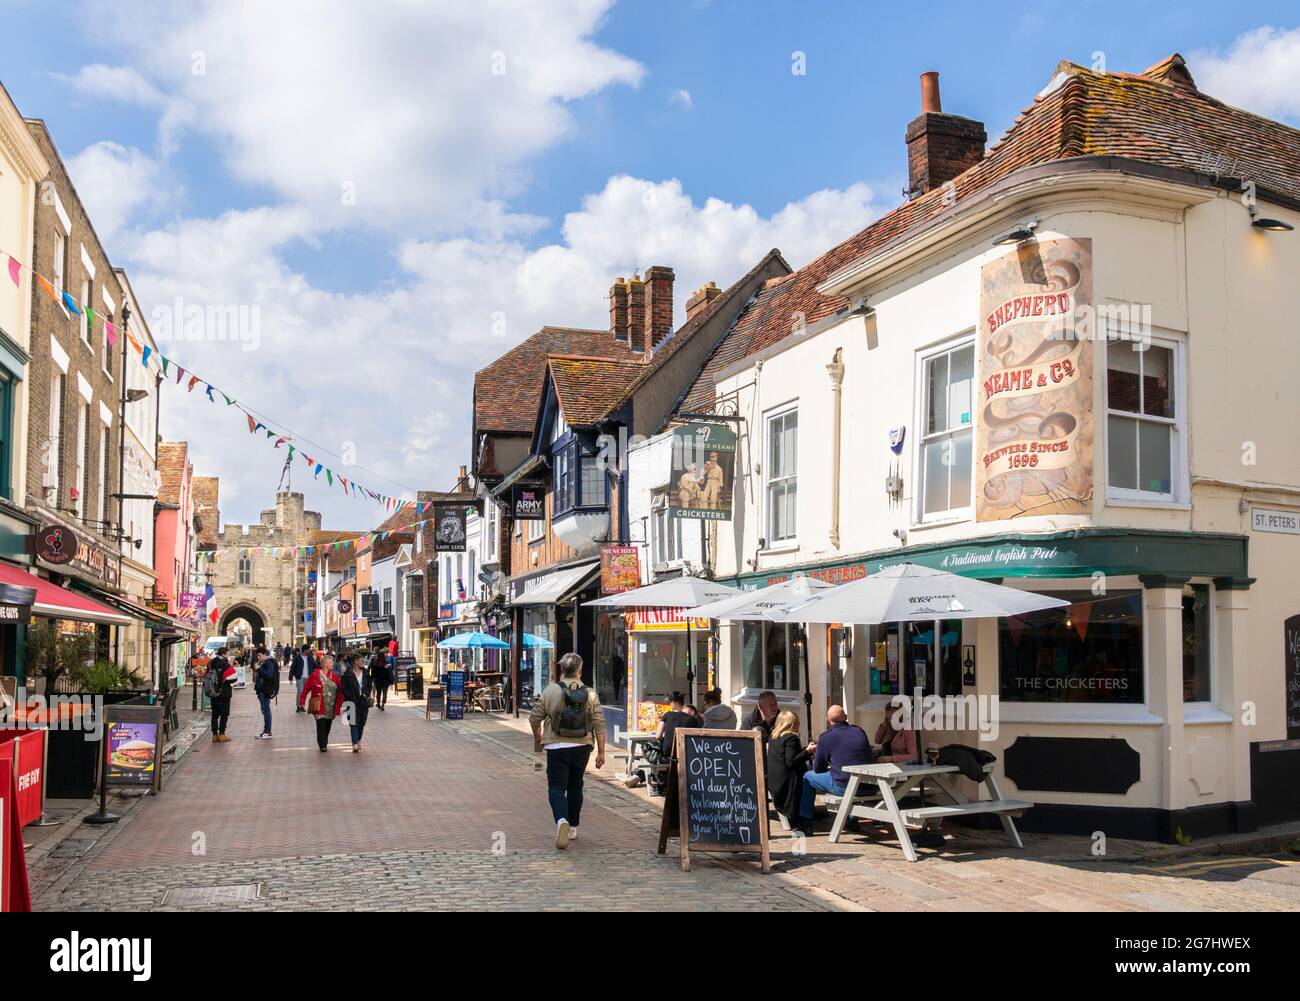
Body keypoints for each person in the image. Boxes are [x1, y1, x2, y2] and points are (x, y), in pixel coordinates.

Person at [529, 652, 605, 850]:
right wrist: (601, 753)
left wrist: (538, 736)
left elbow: (534, 718)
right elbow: (599, 724)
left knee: (556, 787)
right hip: (582, 746)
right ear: (579, 670)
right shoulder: (591, 694)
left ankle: (561, 819)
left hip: (556, 746)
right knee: (575, 786)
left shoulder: (551, 691)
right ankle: (572, 827)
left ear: (561, 669)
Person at [800, 705, 873, 828]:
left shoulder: (826, 737)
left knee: (808, 776)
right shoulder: (859, 731)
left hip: (844, 787)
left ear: (828, 721)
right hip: (869, 785)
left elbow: (818, 769)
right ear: (846, 717)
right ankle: (851, 820)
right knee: (849, 776)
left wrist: (831, 766)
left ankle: (806, 822)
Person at [624, 691, 698, 792]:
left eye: (670, 702)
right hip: (685, 754)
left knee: (651, 751)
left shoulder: (667, 715)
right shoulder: (693, 720)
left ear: (675, 703)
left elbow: (658, 735)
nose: (669, 705)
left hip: (667, 753)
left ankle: (641, 776)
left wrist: (665, 738)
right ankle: (642, 776)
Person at [767, 711, 815, 835]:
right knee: (811, 779)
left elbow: (789, 756)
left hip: (774, 781)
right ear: (792, 723)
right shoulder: (791, 738)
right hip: (788, 784)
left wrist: (806, 750)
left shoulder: (773, 736)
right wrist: (808, 752)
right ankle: (803, 821)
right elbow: (791, 761)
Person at [299, 652, 344, 751]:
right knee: (321, 725)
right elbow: (306, 689)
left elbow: (340, 690)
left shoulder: (334, 676)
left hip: (331, 707)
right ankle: (323, 745)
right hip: (319, 706)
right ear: (324, 664)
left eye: (332, 662)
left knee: (327, 725)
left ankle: (323, 740)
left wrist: (341, 703)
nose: (332, 664)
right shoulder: (315, 675)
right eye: (330, 662)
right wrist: (302, 701)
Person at [339, 652, 372, 752]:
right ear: (355, 662)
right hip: (350, 701)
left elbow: (369, 685)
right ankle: (354, 744)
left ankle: (358, 740)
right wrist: (349, 696)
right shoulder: (348, 674)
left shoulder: (365, 672)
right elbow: (343, 687)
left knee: (361, 722)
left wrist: (367, 694)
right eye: (361, 660)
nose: (362, 662)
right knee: (353, 722)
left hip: (363, 701)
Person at [874, 697, 919, 763]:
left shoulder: (908, 730)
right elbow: (877, 740)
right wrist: (884, 726)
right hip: (887, 763)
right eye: (888, 718)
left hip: (901, 765)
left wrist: (891, 758)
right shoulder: (889, 727)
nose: (890, 721)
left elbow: (913, 756)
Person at [207, 646, 235, 743]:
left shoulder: (211, 663)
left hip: (213, 692)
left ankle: (214, 735)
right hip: (224, 692)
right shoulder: (225, 664)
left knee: (214, 714)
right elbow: (233, 678)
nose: (228, 655)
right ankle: (222, 734)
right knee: (224, 714)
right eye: (227, 653)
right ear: (224, 654)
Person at [253, 645, 279, 740]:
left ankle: (267, 731)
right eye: (258, 656)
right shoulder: (265, 662)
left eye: (260, 655)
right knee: (265, 710)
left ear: (265, 654)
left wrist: (259, 669)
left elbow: (268, 675)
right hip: (263, 690)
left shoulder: (269, 662)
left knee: (266, 710)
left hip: (265, 690)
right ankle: (266, 731)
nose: (258, 657)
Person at [369, 643, 391, 711]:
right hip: (386, 681)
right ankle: (383, 705)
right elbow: (389, 673)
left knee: (378, 693)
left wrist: (371, 680)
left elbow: (373, 674)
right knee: (385, 693)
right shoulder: (386, 663)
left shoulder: (375, 665)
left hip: (378, 681)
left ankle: (378, 704)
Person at [288, 644, 308, 712]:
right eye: (308, 650)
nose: (309, 651)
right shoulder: (297, 657)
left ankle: (302, 706)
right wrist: (290, 677)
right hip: (299, 677)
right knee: (300, 691)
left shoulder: (310, 658)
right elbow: (292, 668)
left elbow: (314, 666)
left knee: (304, 692)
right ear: (305, 650)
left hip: (307, 678)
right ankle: (298, 706)